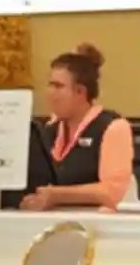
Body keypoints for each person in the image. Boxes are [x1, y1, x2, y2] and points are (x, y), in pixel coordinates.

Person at [21, 43, 134, 212]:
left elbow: (111, 192)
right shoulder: (47, 130)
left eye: (58, 86)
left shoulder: (112, 127)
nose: (50, 93)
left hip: (98, 227)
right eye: (49, 85)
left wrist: (57, 195)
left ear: (81, 92)